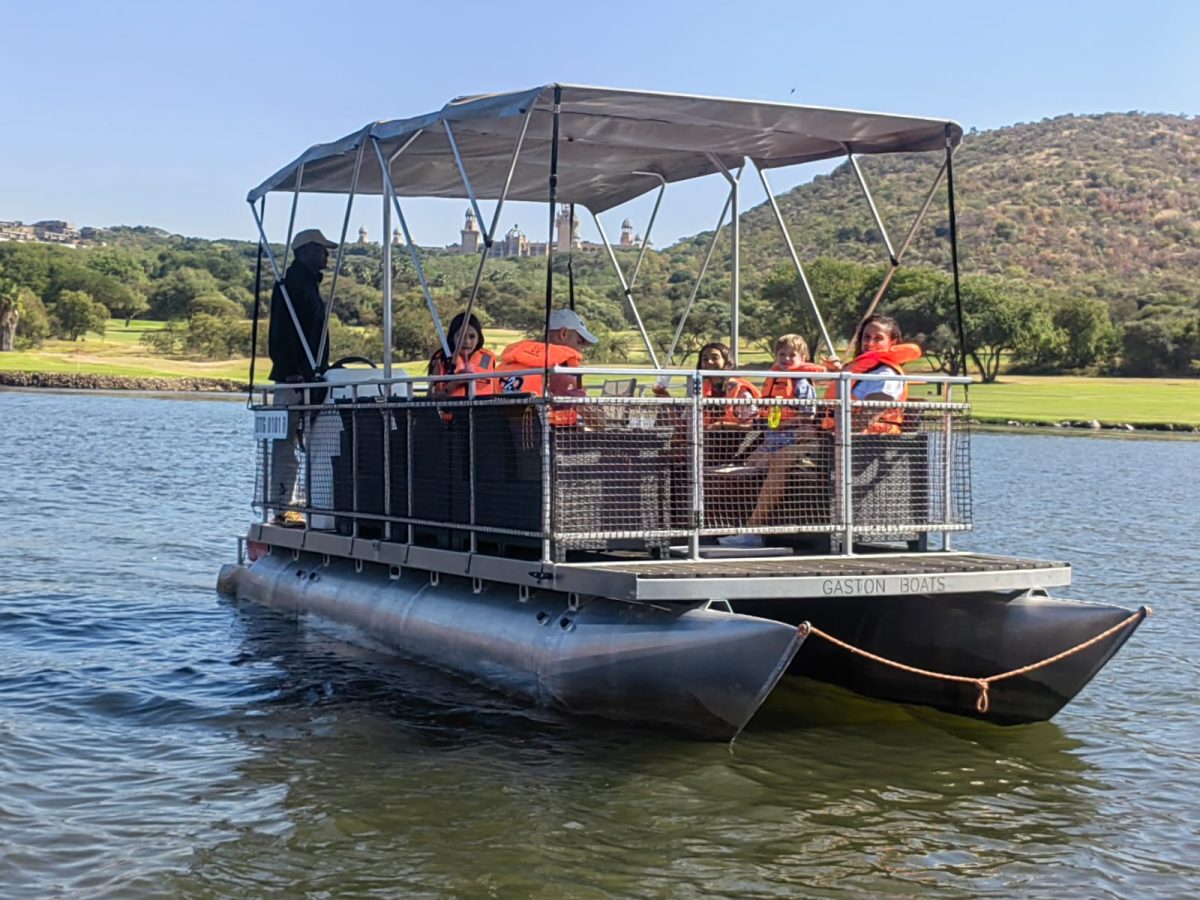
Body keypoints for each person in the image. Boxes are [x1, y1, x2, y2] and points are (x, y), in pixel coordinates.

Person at [718, 334, 824, 548]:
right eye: (781, 354)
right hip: (771, 438)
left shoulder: (801, 383)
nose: (785, 359)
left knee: (762, 465)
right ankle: (739, 524)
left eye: (792, 355)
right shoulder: (774, 379)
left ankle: (754, 530)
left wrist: (785, 424)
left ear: (803, 357)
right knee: (748, 467)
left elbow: (808, 414)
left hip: (792, 438)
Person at [267, 227, 337, 527]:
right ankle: (283, 507)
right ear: (307, 250)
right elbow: (281, 334)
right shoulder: (291, 285)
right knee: (286, 445)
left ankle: (311, 501)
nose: (327, 255)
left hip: (311, 378)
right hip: (294, 379)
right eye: (323, 249)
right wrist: (292, 370)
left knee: (313, 441)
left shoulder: (308, 284)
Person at [497, 308, 602, 427]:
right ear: (563, 334)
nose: (579, 350)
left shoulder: (512, 363)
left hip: (505, 435)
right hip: (542, 438)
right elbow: (590, 414)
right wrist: (607, 425)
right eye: (579, 342)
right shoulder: (557, 370)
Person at [824, 314, 923, 434]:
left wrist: (826, 436)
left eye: (878, 338)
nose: (870, 343)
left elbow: (865, 419)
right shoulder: (859, 369)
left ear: (893, 342)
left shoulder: (887, 374)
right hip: (838, 438)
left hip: (872, 444)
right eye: (866, 337)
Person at [652, 340, 760, 428]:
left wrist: (721, 427)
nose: (709, 362)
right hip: (702, 441)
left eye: (715, 358)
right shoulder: (700, 389)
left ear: (726, 361)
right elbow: (685, 425)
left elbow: (751, 425)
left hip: (730, 442)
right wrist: (667, 400)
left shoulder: (740, 391)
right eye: (705, 359)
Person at [428, 311, 495, 397]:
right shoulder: (442, 360)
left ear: (479, 338)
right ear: (453, 338)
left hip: (481, 410)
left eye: (472, 336)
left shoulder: (486, 358)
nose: (467, 341)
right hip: (452, 409)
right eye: (461, 336)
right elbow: (429, 399)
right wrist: (454, 383)